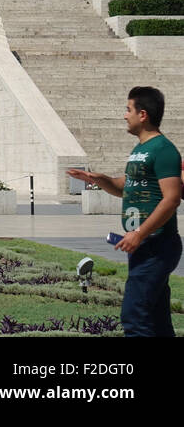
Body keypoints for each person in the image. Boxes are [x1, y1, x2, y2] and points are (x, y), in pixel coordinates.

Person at [67, 86, 182, 337]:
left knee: (134, 316)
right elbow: (125, 188)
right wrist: (99, 179)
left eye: (127, 109)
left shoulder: (163, 150)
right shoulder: (140, 150)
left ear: (143, 115)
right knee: (156, 317)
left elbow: (172, 198)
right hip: (143, 246)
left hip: (156, 244)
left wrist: (139, 233)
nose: (124, 115)